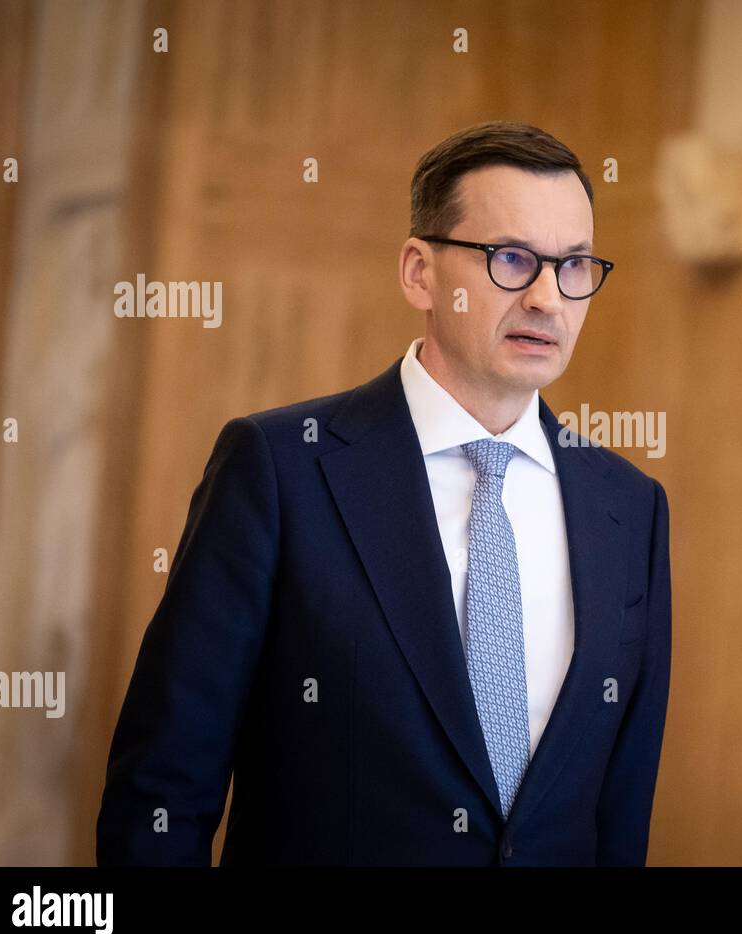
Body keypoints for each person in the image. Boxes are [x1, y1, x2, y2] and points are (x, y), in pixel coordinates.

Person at [96, 120, 671, 866]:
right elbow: (163, 791)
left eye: (573, 266)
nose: (546, 298)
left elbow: (620, 815)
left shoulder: (630, 509)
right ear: (418, 273)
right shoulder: (279, 469)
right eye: (511, 259)